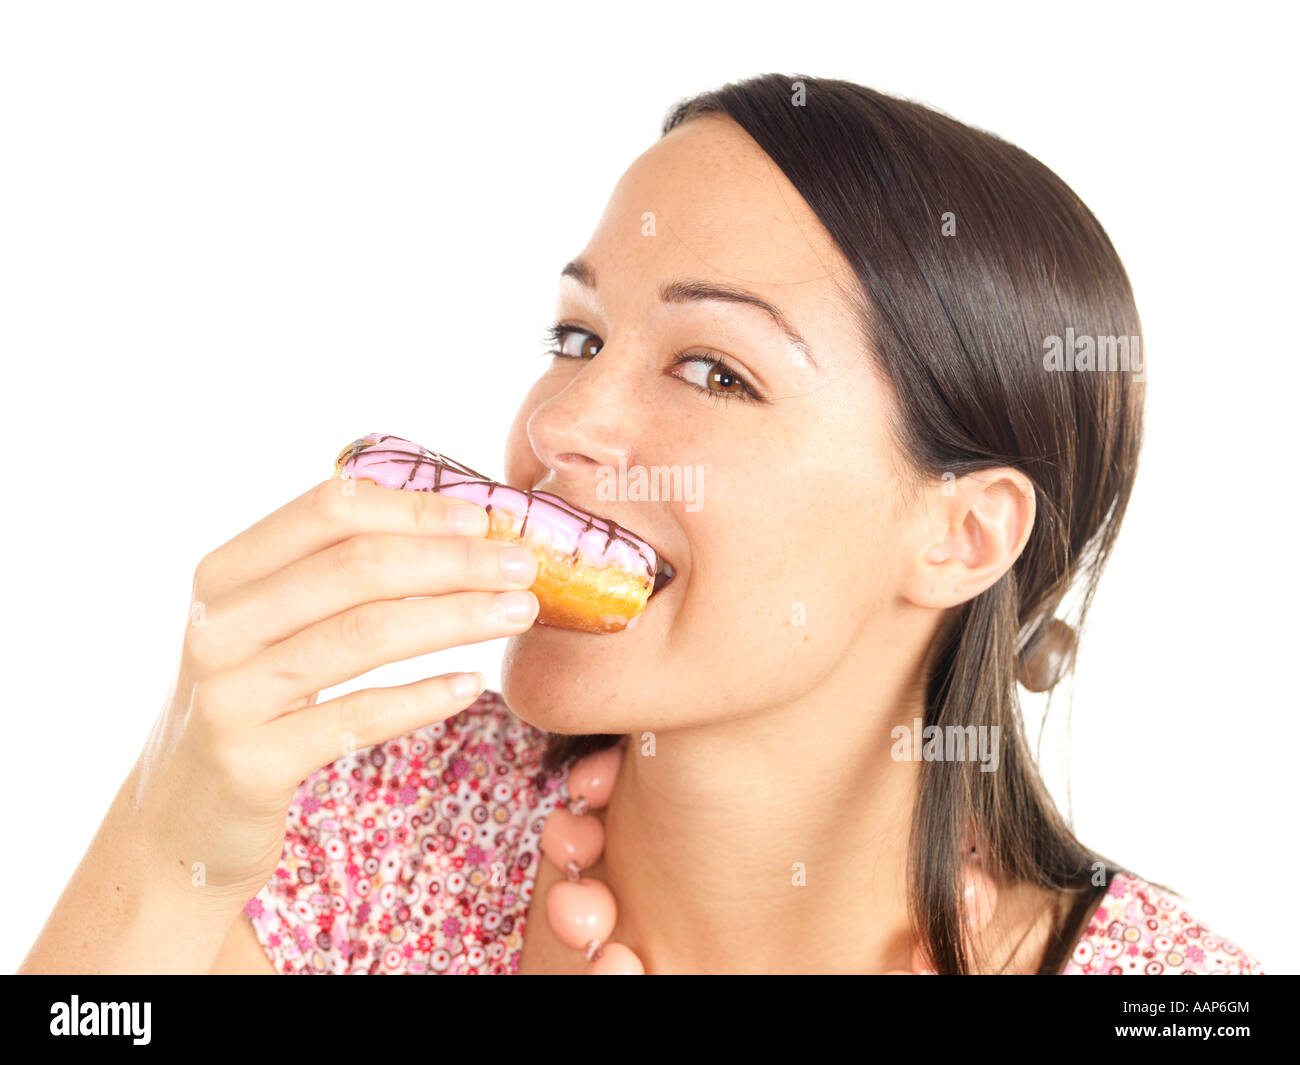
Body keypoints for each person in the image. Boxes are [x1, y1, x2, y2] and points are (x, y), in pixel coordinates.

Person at [20, 73, 1262, 975]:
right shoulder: (372, 823)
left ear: (962, 538)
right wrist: (168, 845)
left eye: (714, 371)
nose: (562, 423)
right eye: (578, 337)